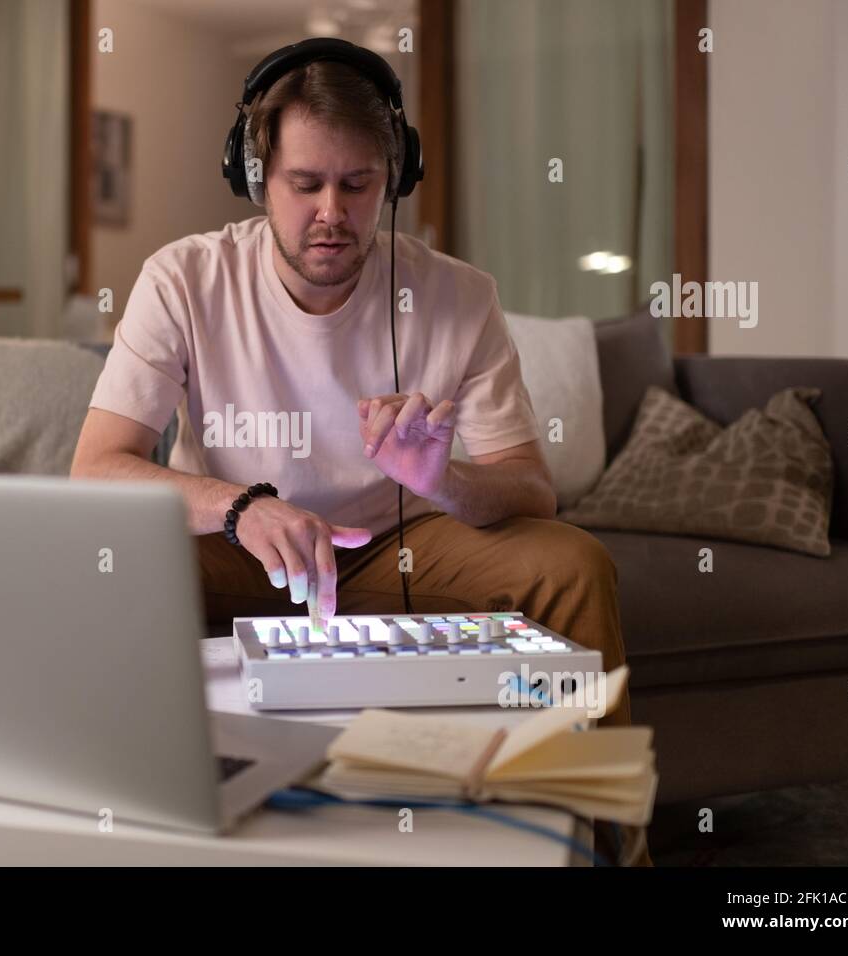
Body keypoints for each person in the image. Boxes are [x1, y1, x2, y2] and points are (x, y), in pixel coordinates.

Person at [71, 44, 651, 867]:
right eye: (305, 184)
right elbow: (97, 469)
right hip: (237, 547)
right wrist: (240, 508)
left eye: (358, 185)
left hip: (397, 546)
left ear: (396, 177)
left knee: (570, 564)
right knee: (100, 561)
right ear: (254, 175)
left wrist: (440, 480)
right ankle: (118, 831)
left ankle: (605, 847)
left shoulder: (459, 296)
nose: (332, 214)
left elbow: (531, 489)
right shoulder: (184, 278)